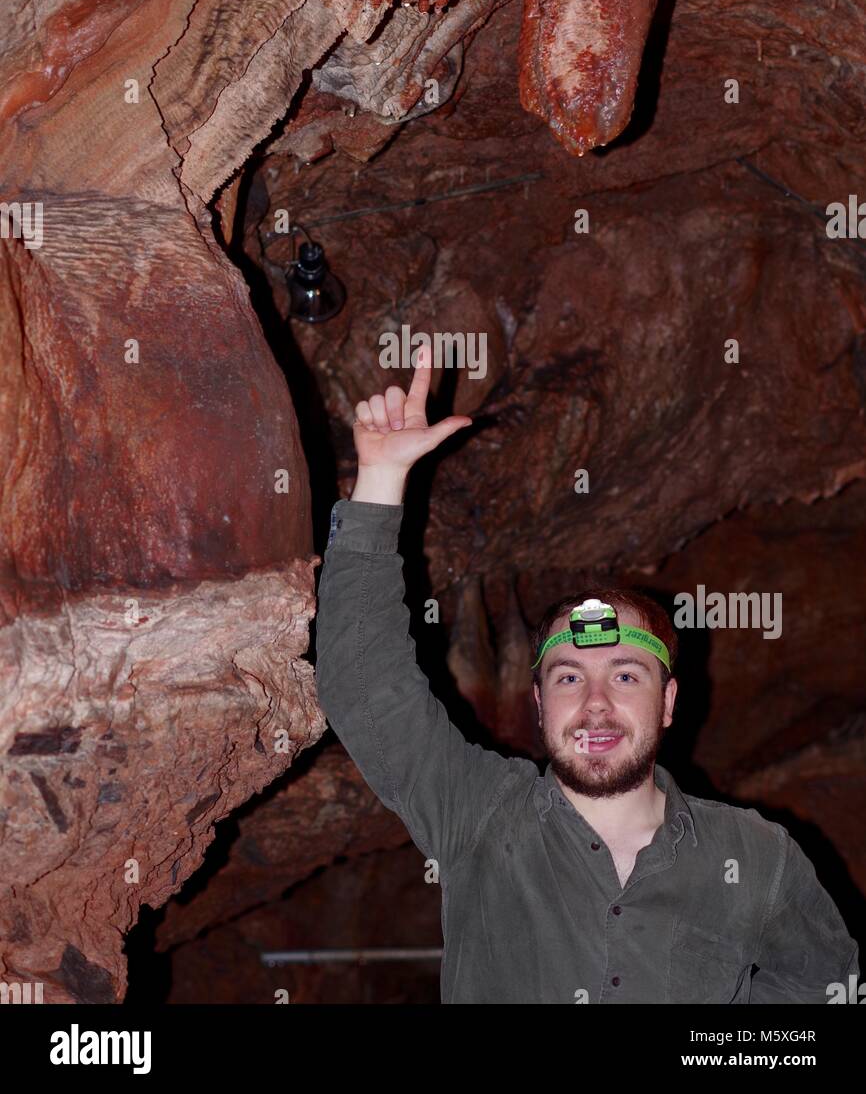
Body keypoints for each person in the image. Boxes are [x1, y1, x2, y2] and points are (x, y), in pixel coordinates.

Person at [315, 346, 860, 1004]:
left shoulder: (756, 856)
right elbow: (363, 684)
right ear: (540, 704)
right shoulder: (480, 815)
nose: (596, 702)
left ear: (669, 702)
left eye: (626, 677)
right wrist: (380, 480)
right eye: (570, 679)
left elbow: (830, 992)